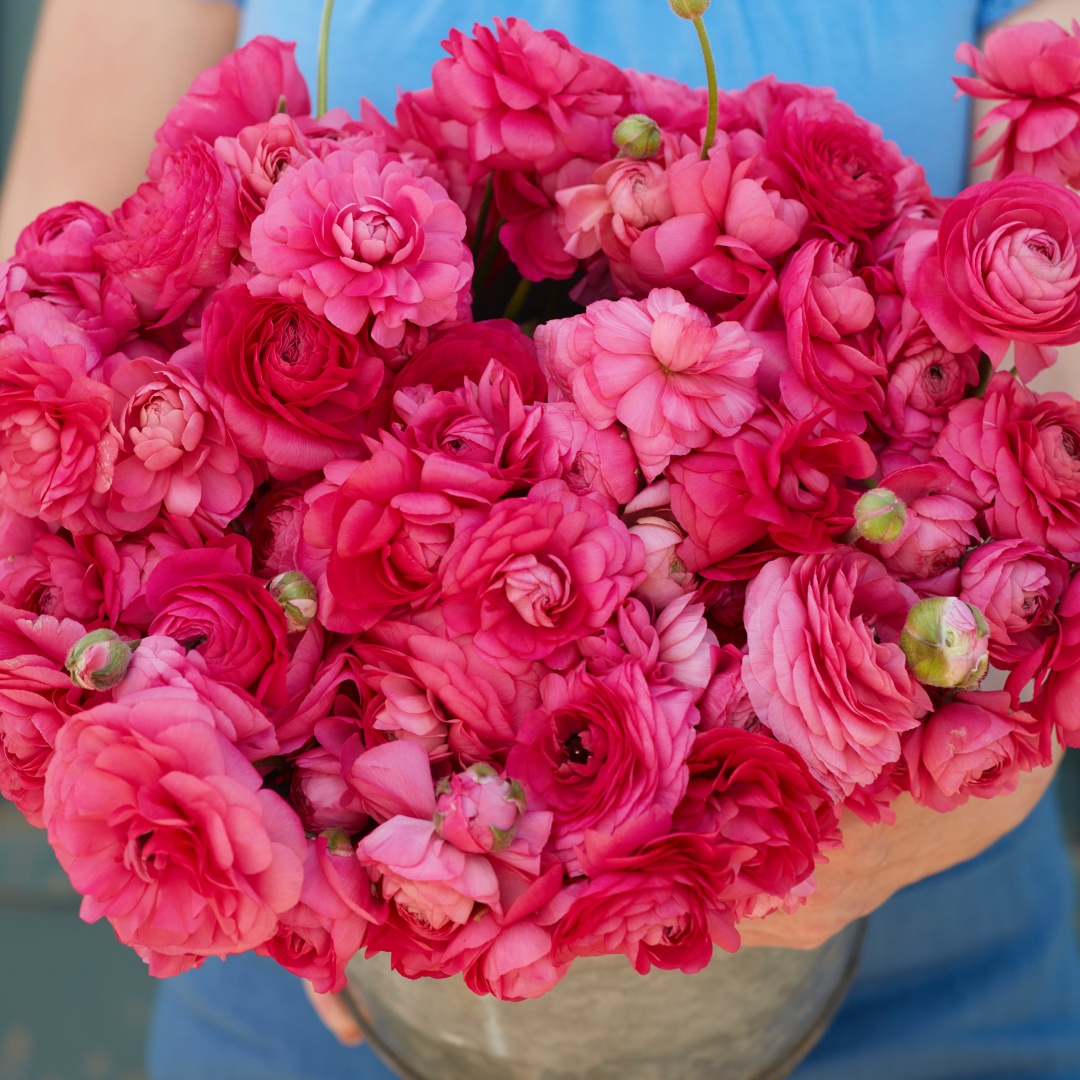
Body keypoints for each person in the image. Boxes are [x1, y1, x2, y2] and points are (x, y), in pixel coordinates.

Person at [2, 2, 1080, 1077]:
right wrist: (287, 872)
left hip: (922, 916)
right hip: (338, 985)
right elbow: (48, 333)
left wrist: (994, 757)